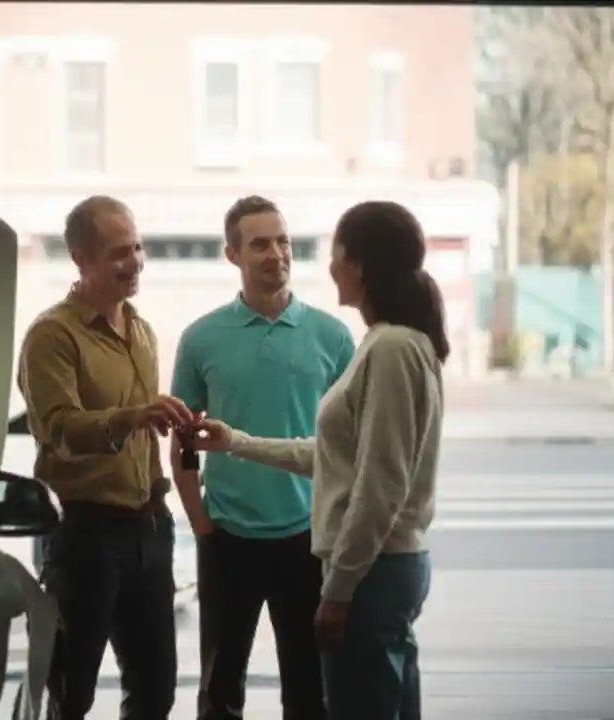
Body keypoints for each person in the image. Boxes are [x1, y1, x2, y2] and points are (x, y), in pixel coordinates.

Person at [187, 200, 447, 720]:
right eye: (262, 243)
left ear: (364, 264)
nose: (328, 265)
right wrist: (235, 442)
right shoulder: (388, 342)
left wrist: (340, 588)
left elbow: (379, 486)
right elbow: (338, 457)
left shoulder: (389, 348)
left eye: (338, 253)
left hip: (373, 572)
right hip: (372, 569)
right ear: (233, 255)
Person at [169, 195, 353, 720]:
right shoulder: (202, 338)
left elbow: (351, 444)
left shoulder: (332, 336)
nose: (275, 254)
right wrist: (201, 524)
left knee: (309, 691)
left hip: (308, 539)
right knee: (220, 693)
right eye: (259, 245)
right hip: (227, 537)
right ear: (233, 255)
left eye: (282, 241)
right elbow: (182, 439)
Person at [17, 195, 195, 720]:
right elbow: (58, 430)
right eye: (119, 252)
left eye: (137, 248)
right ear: (81, 258)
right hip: (83, 535)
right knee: (71, 694)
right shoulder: (53, 335)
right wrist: (133, 416)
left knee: (156, 692)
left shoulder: (141, 330)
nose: (134, 262)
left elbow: (144, 430)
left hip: (149, 529)